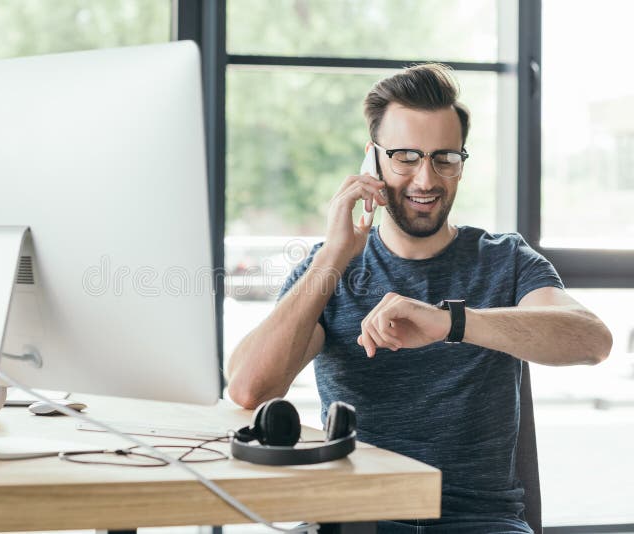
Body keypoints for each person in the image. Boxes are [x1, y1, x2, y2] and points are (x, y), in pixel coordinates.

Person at [226, 63, 613, 533]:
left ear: (461, 163)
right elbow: (249, 388)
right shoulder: (332, 270)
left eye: (444, 157)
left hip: (480, 522)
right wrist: (333, 257)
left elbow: (592, 341)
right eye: (406, 156)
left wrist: (452, 322)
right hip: (359, 520)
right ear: (372, 160)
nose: (426, 179)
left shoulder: (504, 260)